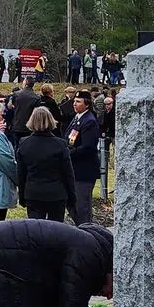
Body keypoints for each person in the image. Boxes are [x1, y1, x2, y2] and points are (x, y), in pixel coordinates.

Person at [13, 107, 72, 222]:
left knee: (36, 231)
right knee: (56, 230)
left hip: (33, 192)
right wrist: (71, 196)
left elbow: (21, 173)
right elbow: (68, 173)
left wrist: (22, 196)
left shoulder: (24, 144)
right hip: (56, 193)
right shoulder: (60, 144)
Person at [66, 95, 102, 226]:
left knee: (82, 205)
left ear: (86, 104)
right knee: (71, 204)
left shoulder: (89, 121)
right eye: (74, 101)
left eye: (78, 102)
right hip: (74, 169)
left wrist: (69, 153)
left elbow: (88, 146)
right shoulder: (77, 118)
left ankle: (86, 232)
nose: (74, 104)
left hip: (83, 170)